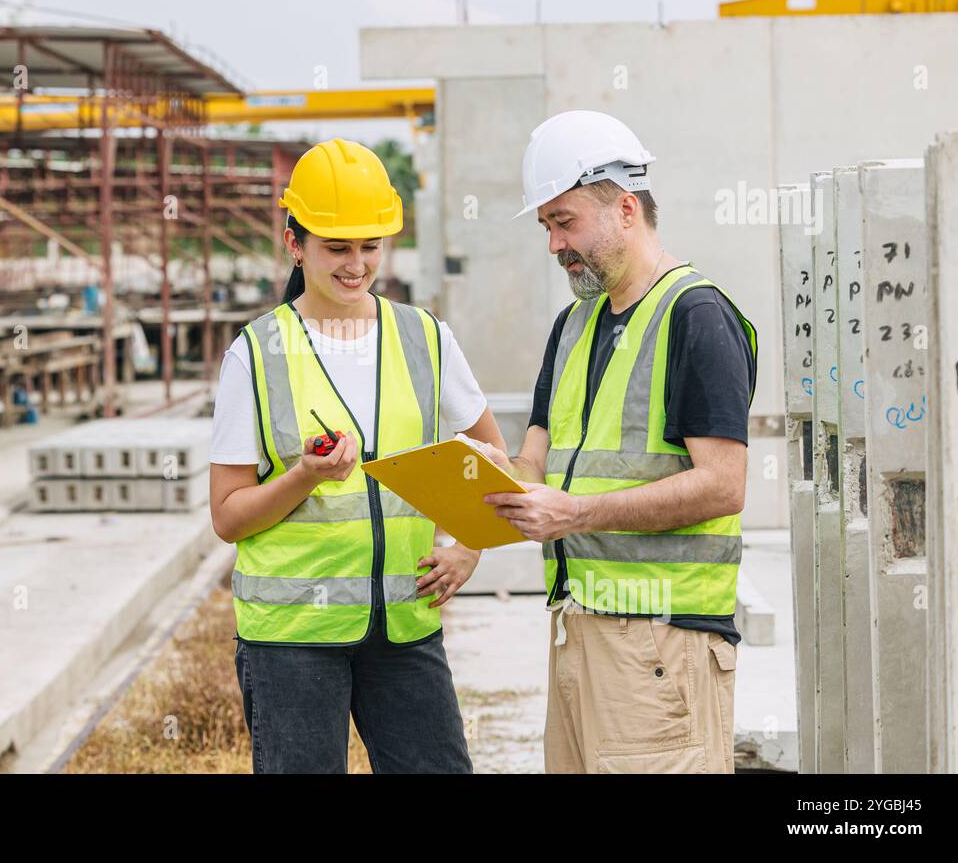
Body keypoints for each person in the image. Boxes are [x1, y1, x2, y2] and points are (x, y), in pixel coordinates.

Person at [208, 137, 506, 773]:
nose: (356, 264)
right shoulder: (256, 353)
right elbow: (229, 516)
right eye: (337, 247)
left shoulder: (424, 336)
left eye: (370, 245)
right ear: (295, 243)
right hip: (291, 640)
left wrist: (468, 547)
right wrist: (303, 478)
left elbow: (489, 454)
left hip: (404, 628)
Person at [477, 110, 756, 774]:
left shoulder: (697, 316)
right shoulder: (575, 325)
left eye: (564, 221)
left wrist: (574, 513)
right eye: (546, 226)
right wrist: (499, 473)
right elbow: (537, 455)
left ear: (625, 208)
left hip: (663, 644)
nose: (554, 245)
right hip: (579, 630)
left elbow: (723, 483)